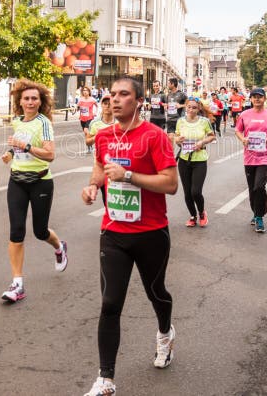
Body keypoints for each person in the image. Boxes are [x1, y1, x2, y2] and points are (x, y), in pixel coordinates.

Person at [80, 77, 179, 396]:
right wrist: (94, 185)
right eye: (112, 95)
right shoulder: (104, 136)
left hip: (151, 232)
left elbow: (170, 184)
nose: (116, 100)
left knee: (156, 293)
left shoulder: (155, 136)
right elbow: (100, 166)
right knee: (110, 303)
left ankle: (165, 332)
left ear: (138, 101)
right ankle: (106, 378)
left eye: (124, 94)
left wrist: (130, 176)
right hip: (113, 231)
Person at [0, 79, 68, 303]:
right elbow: (17, 145)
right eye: (26, 98)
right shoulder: (17, 122)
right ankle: (17, 283)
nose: (30, 102)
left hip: (40, 182)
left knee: (40, 231)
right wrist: (10, 153)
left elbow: (50, 154)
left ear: (40, 102)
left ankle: (59, 246)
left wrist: (25, 147)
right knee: (16, 232)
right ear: (19, 101)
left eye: (34, 99)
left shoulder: (44, 123)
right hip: (17, 181)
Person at [235, 87, 267, 233]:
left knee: (259, 186)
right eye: (254, 96)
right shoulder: (244, 114)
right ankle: (255, 212)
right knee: (252, 189)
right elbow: (238, 130)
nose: (257, 99)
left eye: (259, 96)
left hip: (265, 156)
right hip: (249, 156)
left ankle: (260, 216)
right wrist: (243, 139)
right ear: (250, 99)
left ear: (264, 99)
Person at [175, 97, 216, 227]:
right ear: (185, 107)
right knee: (187, 192)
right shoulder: (180, 121)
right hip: (184, 159)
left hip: (200, 159)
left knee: (195, 191)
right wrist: (177, 140)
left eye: (194, 107)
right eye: (189, 107)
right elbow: (176, 136)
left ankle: (202, 212)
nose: (191, 110)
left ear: (199, 109)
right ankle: (193, 216)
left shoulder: (204, 122)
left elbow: (212, 136)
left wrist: (202, 142)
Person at [77, 86, 99, 153]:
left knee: (86, 130)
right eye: (83, 90)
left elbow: (97, 106)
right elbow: (78, 107)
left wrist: (95, 113)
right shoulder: (80, 99)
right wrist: (77, 108)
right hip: (82, 118)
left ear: (89, 92)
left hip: (90, 118)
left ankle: (91, 145)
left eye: (86, 90)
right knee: (86, 133)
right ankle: (90, 145)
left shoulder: (92, 99)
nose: (85, 92)